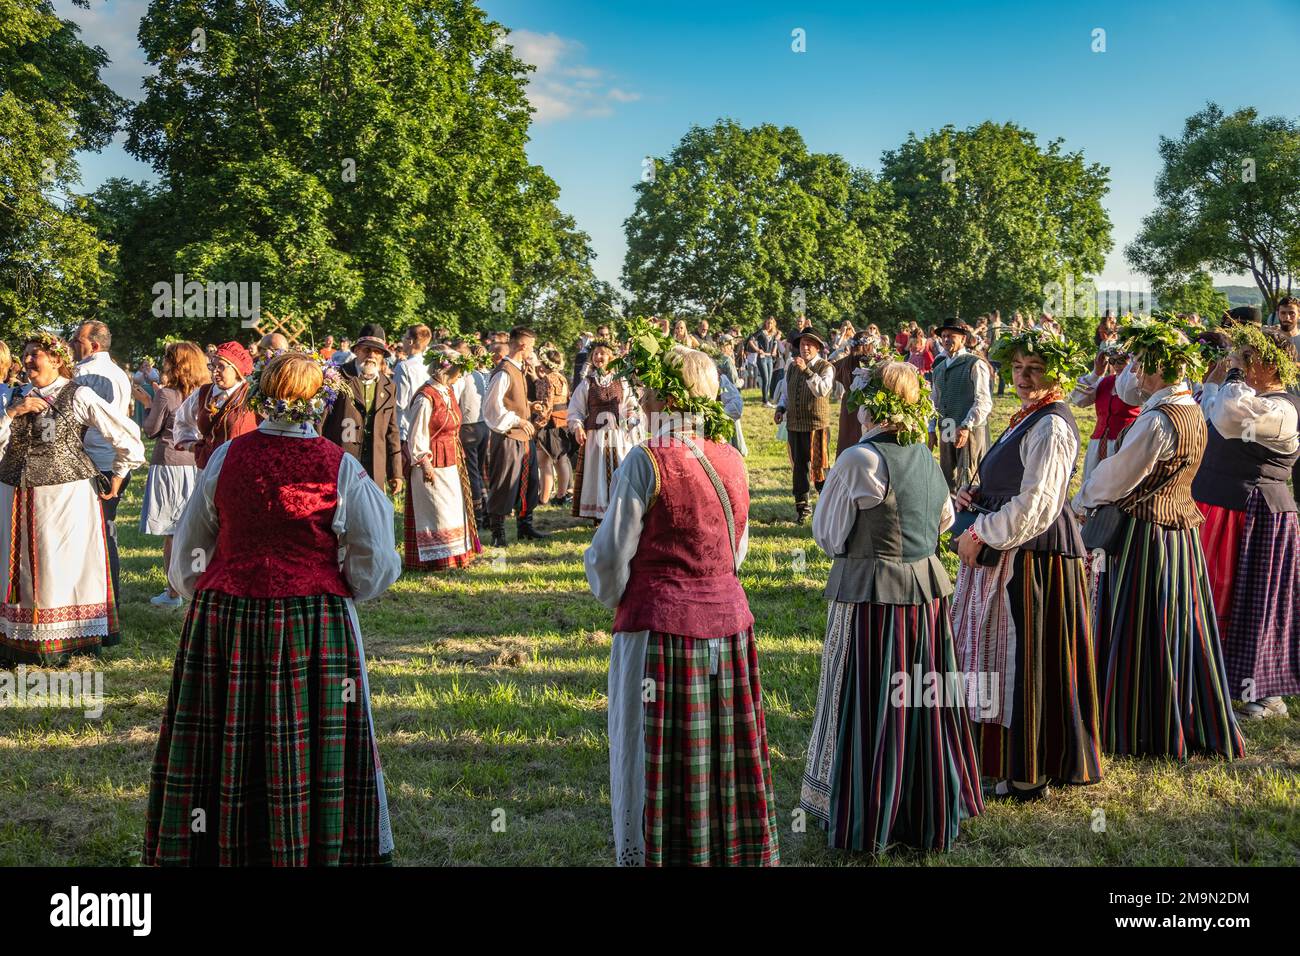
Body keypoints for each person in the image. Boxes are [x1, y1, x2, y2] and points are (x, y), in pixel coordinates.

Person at [145, 353, 400, 865]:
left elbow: (193, 542)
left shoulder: (226, 458)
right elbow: (374, 560)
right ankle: (310, 844)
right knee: (308, 744)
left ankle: (224, 845)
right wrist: (336, 582)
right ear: (320, 402)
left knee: (225, 739)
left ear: (261, 395)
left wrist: (209, 589)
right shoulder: (340, 464)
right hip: (314, 619)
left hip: (226, 615)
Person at [585, 330, 778, 866]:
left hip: (661, 628)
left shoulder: (648, 460)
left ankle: (665, 850)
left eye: (647, 392)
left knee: (657, 753)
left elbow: (608, 556)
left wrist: (626, 598)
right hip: (729, 624)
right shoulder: (733, 458)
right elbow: (736, 550)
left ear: (667, 398)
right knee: (722, 751)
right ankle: (723, 847)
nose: (640, 400)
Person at [803, 361, 982, 852]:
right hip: (924, 599)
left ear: (871, 403)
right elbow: (944, 520)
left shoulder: (859, 460)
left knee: (872, 699)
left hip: (872, 600)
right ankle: (919, 806)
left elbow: (827, 534)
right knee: (920, 702)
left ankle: (873, 809)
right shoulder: (924, 455)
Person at [1073, 318, 1245, 760]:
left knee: (1144, 622)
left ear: (1159, 368)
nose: (1133, 372)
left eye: (1141, 364)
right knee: (1177, 623)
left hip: (1147, 534)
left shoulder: (1158, 421)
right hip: (1179, 533)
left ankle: (1141, 721)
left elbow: (1116, 479)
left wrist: (1080, 500)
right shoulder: (1189, 404)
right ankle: (1176, 711)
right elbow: (1130, 393)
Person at [952, 329, 1102, 801]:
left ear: (1055, 373)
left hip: (1036, 560)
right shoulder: (1028, 417)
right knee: (997, 657)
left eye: (1034, 368)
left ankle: (1030, 768)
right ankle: (999, 760)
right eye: (1017, 367)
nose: (1023, 376)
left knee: (1030, 662)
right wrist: (977, 497)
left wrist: (982, 531)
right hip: (1012, 549)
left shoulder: (1052, 426)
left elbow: (1039, 502)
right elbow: (1011, 483)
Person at [0, 333, 144, 664]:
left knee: (57, 561)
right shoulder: (17, 395)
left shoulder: (77, 394)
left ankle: (63, 642)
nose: (28, 360)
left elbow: (124, 434)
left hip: (64, 494)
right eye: (25, 355)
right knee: (18, 561)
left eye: (35, 354)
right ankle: (17, 640)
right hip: (13, 491)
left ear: (56, 359)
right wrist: (12, 413)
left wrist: (119, 475)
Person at [1193, 326, 1300, 720]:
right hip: (1216, 508)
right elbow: (1209, 411)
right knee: (1210, 595)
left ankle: (1265, 694)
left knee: (1253, 601)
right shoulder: (1237, 394)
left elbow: (1230, 419)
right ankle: (1211, 681)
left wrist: (1233, 377)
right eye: (1241, 355)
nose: (1240, 363)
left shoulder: (1283, 408)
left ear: (1274, 365)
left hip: (1255, 514)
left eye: (1249, 357)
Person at [72, 321, 139, 611]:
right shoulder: (119, 373)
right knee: (106, 527)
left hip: (94, 460)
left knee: (92, 531)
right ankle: (111, 595)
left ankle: (100, 598)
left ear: (94, 346)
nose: (73, 345)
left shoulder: (84, 373)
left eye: (78, 340)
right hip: (116, 459)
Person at [136, 342, 206, 609]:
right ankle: (195, 584)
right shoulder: (205, 393)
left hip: (169, 463)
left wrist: (147, 402)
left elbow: (151, 429)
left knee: (172, 531)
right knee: (195, 528)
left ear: (175, 364)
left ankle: (173, 591)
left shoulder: (166, 394)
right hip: (197, 464)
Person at [402, 350, 481, 571]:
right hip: (431, 462)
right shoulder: (425, 397)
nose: (460, 377)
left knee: (452, 511)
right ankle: (436, 560)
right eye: (458, 372)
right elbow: (416, 433)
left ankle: (455, 556)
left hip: (451, 459)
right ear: (446, 370)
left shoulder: (447, 391)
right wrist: (423, 461)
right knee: (436, 511)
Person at [484, 327, 548, 545]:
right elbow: (492, 409)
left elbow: (514, 401)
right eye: (531, 346)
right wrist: (519, 420)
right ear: (522, 346)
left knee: (530, 483)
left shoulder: (520, 369)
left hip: (524, 437)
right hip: (508, 437)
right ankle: (497, 533)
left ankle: (525, 526)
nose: (532, 351)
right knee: (504, 483)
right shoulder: (504, 371)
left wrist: (530, 406)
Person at [321, 325, 403, 497]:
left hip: (374, 463)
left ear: (382, 357)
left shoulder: (389, 386)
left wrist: (396, 472)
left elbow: (392, 431)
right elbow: (321, 421)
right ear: (357, 350)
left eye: (377, 352)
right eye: (367, 350)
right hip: (341, 459)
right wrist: (319, 460)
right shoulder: (336, 376)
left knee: (371, 516)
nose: (371, 355)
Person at [568, 338, 640, 523]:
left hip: (617, 436)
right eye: (596, 354)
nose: (599, 357)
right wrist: (577, 426)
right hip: (595, 436)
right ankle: (599, 515)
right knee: (597, 475)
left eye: (603, 353)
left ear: (610, 357)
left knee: (620, 470)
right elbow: (575, 409)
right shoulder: (587, 383)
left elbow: (632, 406)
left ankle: (619, 511)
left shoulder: (622, 381)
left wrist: (630, 420)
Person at [774, 329, 834, 523]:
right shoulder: (791, 367)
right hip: (794, 425)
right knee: (799, 468)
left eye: (809, 344)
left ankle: (828, 509)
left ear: (817, 347)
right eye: (802, 344)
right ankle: (803, 509)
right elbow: (786, 391)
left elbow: (822, 390)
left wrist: (807, 371)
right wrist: (781, 408)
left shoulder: (826, 367)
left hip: (816, 425)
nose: (805, 348)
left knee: (819, 467)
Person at [174, 341, 259, 468]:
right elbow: (182, 420)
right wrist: (192, 446)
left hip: (239, 470)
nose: (214, 372)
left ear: (236, 369)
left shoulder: (253, 394)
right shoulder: (204, 392)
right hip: (207, 469)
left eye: (221, 366)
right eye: (213, 366)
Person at [931, 323, 992, 495]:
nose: (946, 339)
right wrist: (931, 429)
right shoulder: (939, 367)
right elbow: (934, 400)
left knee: (968, 475)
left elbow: (984, 401)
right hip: (948, 424)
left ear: (963, 338)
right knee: (946, 473)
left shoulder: (975, 364)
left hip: (968, 426)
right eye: (943, 336)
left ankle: (968, 518)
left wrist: (966, 426)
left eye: (951, 336)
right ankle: (949, 515)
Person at [1070, 346, 1141, 483]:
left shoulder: (1138, 384)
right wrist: (1096, 373)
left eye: (1121, 360)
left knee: (1116, 486)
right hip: (1097, 443)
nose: (1116, 365)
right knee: (1091, 484)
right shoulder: (1105, 382)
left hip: (1124, 444)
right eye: (1112, 361)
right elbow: (1078, 400)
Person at [532, 346, 576, 506]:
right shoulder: (562, 378)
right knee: (561, 459)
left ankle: (544, 498)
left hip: (550, 423)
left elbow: (547, 406)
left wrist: (537, 425)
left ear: (545, 363)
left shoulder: (546, 381)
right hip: (563, 420)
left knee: (544, 462)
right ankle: (561, 495)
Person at [831, 332, 878, 458]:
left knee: (847, 438)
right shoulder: (874, 363)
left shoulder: (845, 362)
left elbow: (830, 367)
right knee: (864, 440)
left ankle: (844, 470)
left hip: (849, 405)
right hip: (867, 404)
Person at [393, 324, 433, 442]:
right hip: (423, 428)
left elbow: (399, 402)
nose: (402, 341)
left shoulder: (404, 366)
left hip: (405, 429)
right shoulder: (429, 365)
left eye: (404, 337)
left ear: (410, 341)